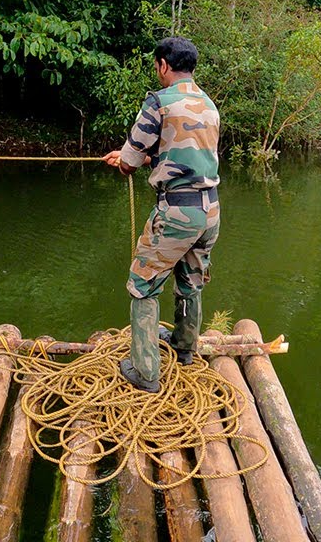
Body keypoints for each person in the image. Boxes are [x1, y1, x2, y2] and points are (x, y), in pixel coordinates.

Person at [103, 36, 220, 393]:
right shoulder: (209, 105)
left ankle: (145, 371)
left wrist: (124, 163)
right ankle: (185, 348)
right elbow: (188, 158)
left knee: (142, 287)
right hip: (210, 209)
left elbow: (130, 158)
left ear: (163, 65)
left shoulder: (159, 102)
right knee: (191, 281)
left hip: (176, 213)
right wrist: (151, 161)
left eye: (157, 66)